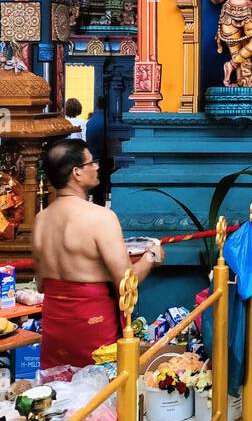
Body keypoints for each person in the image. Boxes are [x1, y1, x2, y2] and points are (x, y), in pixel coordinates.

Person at [32, 138, 163, 369]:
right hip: (92, 325)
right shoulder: (100, 217)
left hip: (54, 326)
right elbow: (126, 284)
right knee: (100, 398)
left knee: (61, 396)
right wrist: (150, 257)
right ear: (77, 173)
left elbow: (42, 284)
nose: (97, 166)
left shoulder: (41, 221)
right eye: (91, 162)